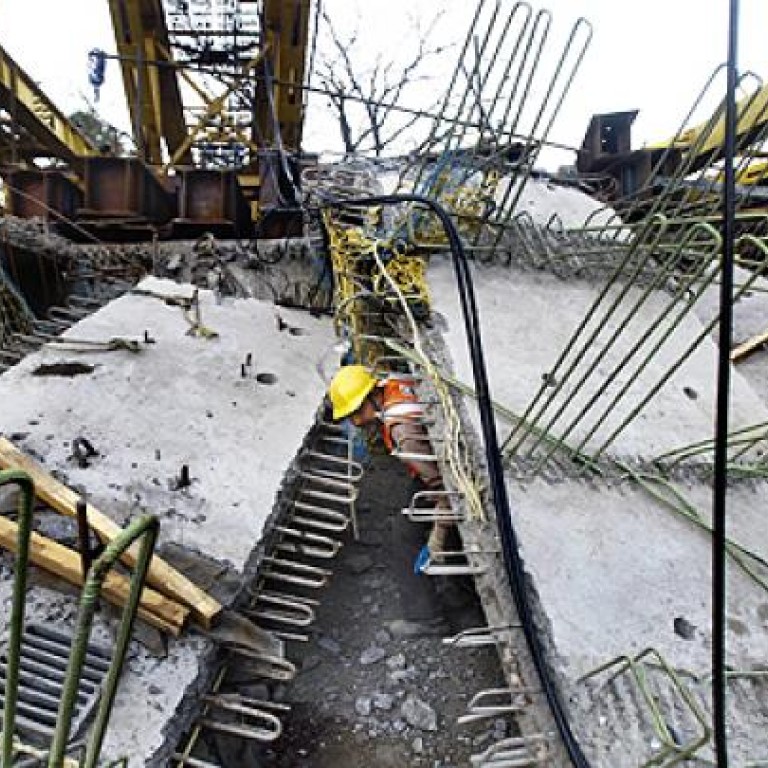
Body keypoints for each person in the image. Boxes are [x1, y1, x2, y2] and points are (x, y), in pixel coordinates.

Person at [328, 364, 452, 571]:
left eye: (357, 412)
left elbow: (448, 491)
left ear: (371, 396)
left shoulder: (403, 433)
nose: (356, 422)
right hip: (426, 460)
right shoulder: (393, 383)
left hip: (439, 474)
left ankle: (446, 579)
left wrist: (438, 535)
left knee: (414, 531)